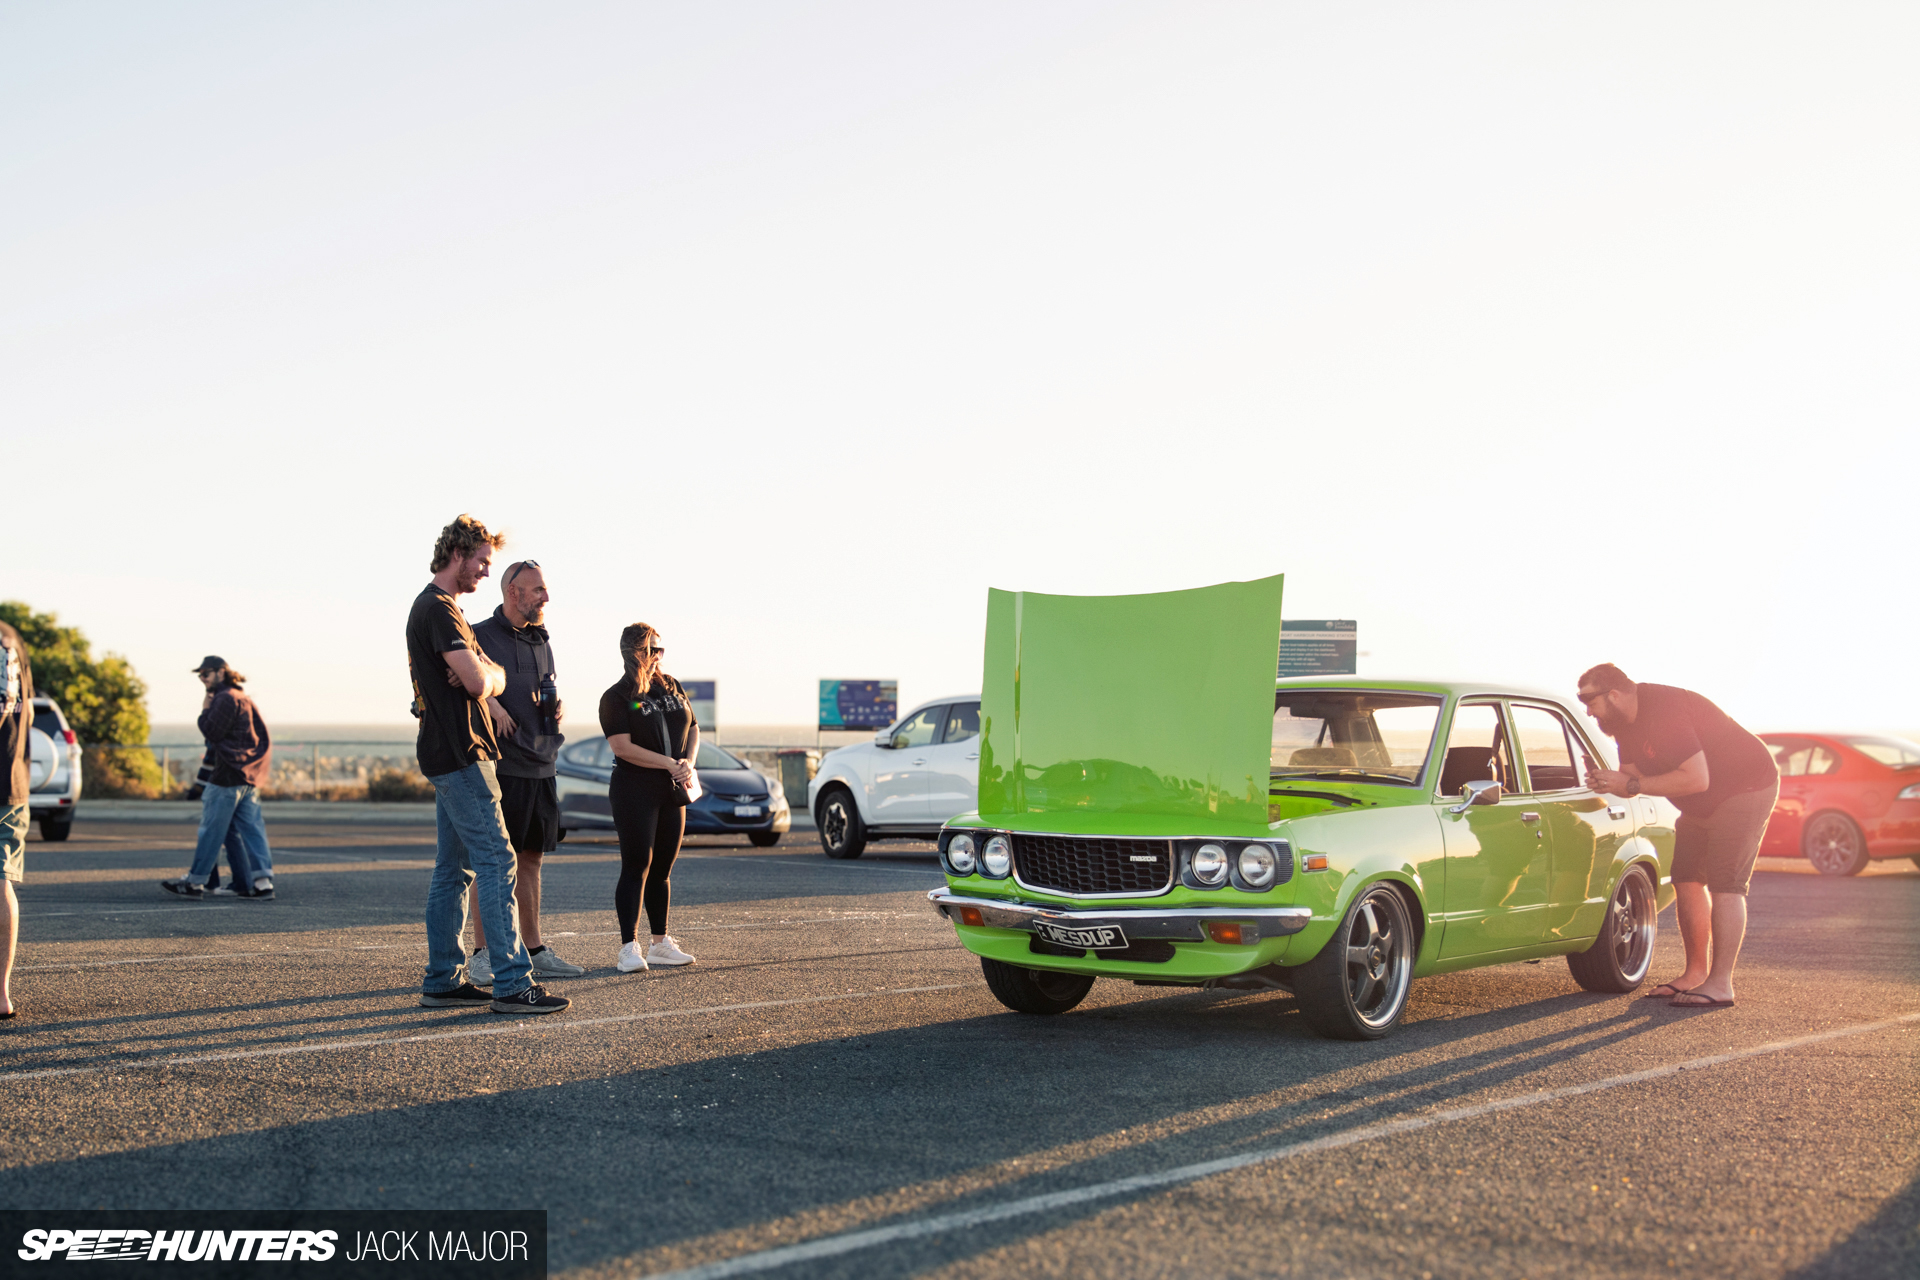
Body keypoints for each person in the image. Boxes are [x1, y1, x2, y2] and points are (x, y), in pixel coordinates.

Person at [407, 514, 569, 1016]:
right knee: (499, 862)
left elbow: (478, 674)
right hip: (462, 755)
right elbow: (479, 682)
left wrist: (485, 672)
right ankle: (512, 983)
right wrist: (491, 676)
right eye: (481, 561)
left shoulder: (444, 609)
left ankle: (441, 979)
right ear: (458, 554)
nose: (483, 571)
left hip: (449, 752)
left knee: (453, 869)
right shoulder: (438, 610)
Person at [1577, 664, 1780, 1009]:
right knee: (1686, 878)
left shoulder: (1664, 710)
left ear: (1613, 694)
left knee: (1725, 882)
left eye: (1589, 700)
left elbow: (1695, 778)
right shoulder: (1622, 724)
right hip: (1700, 802)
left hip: (1745, 787)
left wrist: (1630, 785)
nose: (1587, 710)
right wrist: (1610, 782)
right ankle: (1694, 973)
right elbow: (1631, 778)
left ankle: (1720, 984)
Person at [464, 560, 585, 982]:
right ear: (513, 591)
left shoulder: (541, 640)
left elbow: (545, 688)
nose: (545, 598)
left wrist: (557, 706)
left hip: (542, 761)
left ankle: (532, 949)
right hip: (503, 763)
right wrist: (491, 702)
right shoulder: (479, 635)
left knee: (531, 860)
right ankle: (481, 954)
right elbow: (456, 679)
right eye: (537, 590)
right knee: (494, 862)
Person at [599, 623, 698, 972]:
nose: (657, 655)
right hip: (633, 790)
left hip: (672, 789)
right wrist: (669, 763)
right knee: (636, 865)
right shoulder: (617, 696)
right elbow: (622, 747)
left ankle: (660, 944)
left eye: (660, 649)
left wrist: (688, 763)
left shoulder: (671, 686)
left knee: (663, 871)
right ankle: (629, 948)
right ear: (633, 652)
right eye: (651, 649)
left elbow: (694, 727)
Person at [161, 659, 275, 900]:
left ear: (221, 672)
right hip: (248, 776)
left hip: (227, 777)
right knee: (253, 831)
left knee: (211, 831)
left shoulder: (225, 698)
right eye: (200, 675)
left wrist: (204, 710)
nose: (202, 678)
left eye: (206, 673)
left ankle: (195, 884)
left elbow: (212, 733)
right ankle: (263, 884)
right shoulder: (244, 698)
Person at [1, 619, 37, 1019]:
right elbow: (21, 710)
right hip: (11, 778)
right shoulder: (11, 638)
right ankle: (0, 994)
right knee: (1, 879)